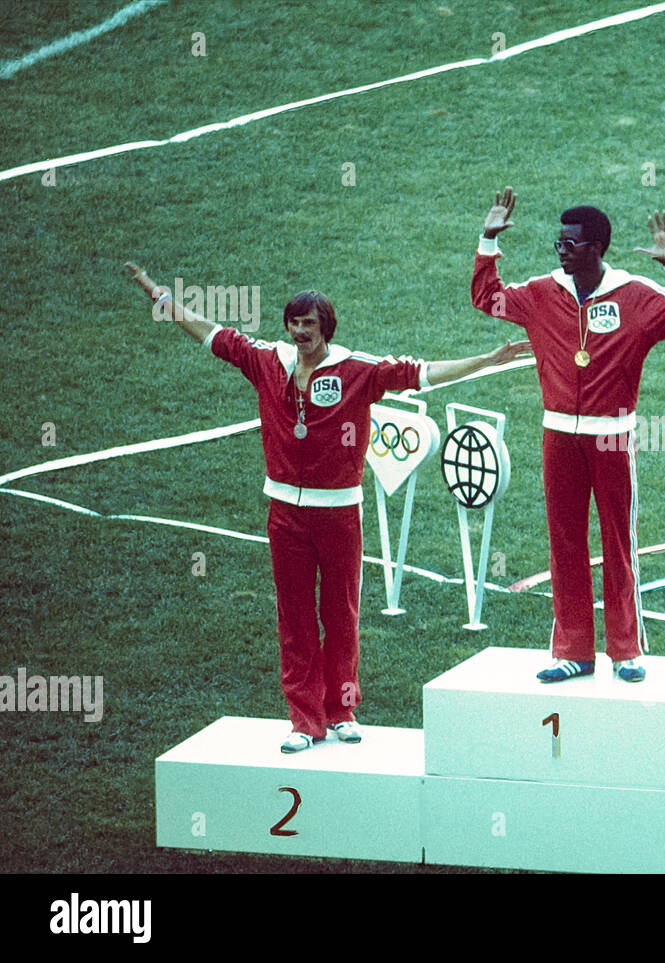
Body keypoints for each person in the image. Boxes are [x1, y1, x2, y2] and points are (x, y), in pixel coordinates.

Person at [125, 262, 530, 753]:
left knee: (341, 614)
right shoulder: (267, 360)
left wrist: (486, 360)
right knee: (294, 618)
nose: (300, 332)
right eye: (294, 323)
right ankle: (304, 720)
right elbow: (210, 334)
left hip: (339, 514)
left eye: (309, 325)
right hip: (284, 514)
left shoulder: (358, 370)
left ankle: (341, 710)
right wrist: (160, 299)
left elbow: (422, 374)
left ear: (326, 328)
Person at [470, 187, 665, 684]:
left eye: (571, 243)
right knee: (564, 543)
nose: (561, 249)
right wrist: (488, 240)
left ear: (597, 248)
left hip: (612, 438)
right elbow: (486, 299)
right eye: (559, 241)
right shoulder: (541, 292)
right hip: (557, 435)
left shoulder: (635, 295)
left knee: (618, 543)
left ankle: (626, 651)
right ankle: (573, 650)